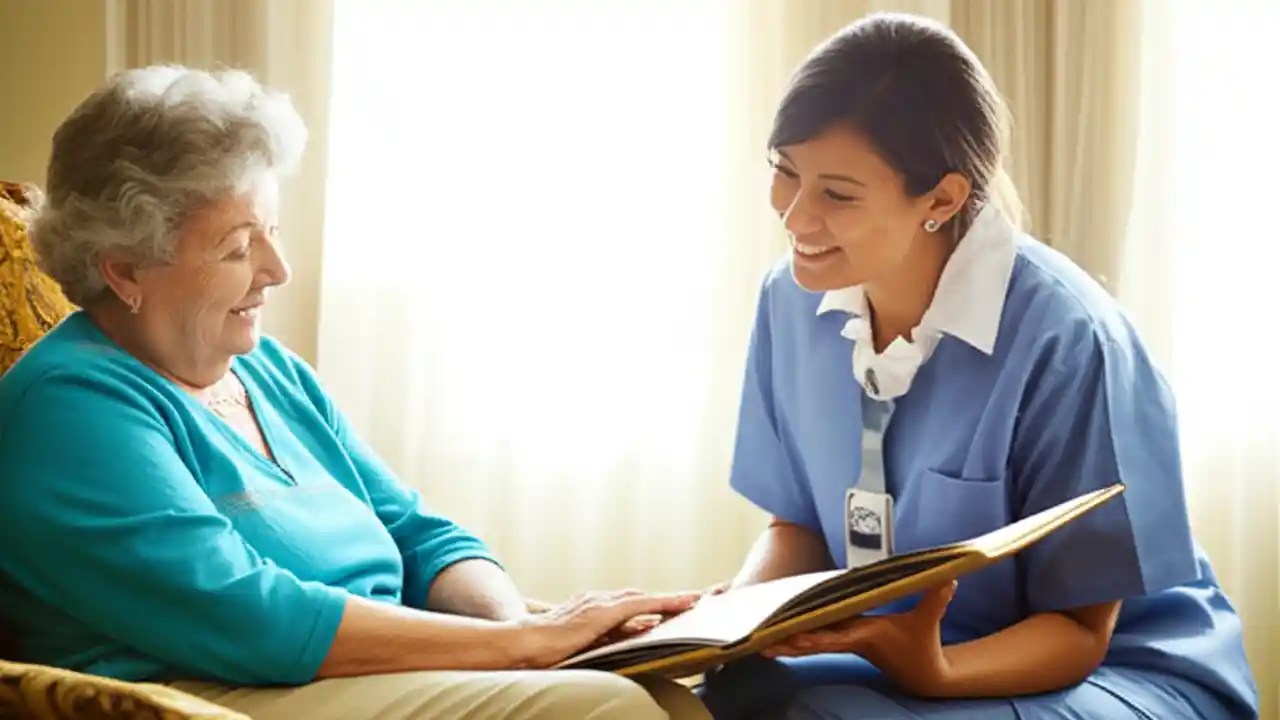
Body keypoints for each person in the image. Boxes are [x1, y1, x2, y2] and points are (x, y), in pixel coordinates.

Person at [0, 65, 711, 720]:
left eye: (273, 231)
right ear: (125, 269)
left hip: (350, 675)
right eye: (239, 246)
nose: (277, 269)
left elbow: (420, 536)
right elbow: (249, 614)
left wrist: (523, 629)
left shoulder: (268, 371)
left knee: (659, 695)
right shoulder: (71, 408)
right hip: (207, 694)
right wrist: (525, 648)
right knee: (609, 713)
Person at [697, 13, 1259, 720]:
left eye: (837, 194)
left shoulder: (1069, 338)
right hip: (902, 654)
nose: (795, 216)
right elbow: (799, 527)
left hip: (1114, 668)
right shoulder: (790, 301)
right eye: (784, 172)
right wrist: (732, 626)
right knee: (733, 690)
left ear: (941, 198)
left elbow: (1083, 630)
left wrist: (934, 672)